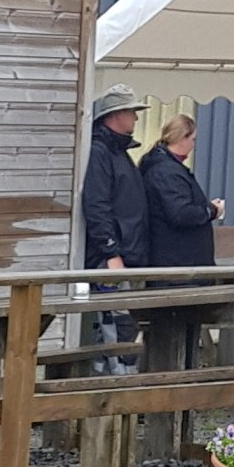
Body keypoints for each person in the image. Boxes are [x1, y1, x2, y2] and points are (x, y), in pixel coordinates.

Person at [81, 94, 149, 347]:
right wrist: (111, 252)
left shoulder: (119, 153)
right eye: (132, 111)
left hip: (125, 255)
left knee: (122, 324)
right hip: (110, 260)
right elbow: (97, 205)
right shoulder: (100, 152)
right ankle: (113, 378)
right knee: (115, 326)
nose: (136, 117)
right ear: (116, 115)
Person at [140, 112, 224, 270]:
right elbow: (180, 213)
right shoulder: (167, 172)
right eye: (192, 139)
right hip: (179, 263)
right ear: (182, 138)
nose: (193, 145)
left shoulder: (163, 167)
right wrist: (210, 211)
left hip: (180, 260)